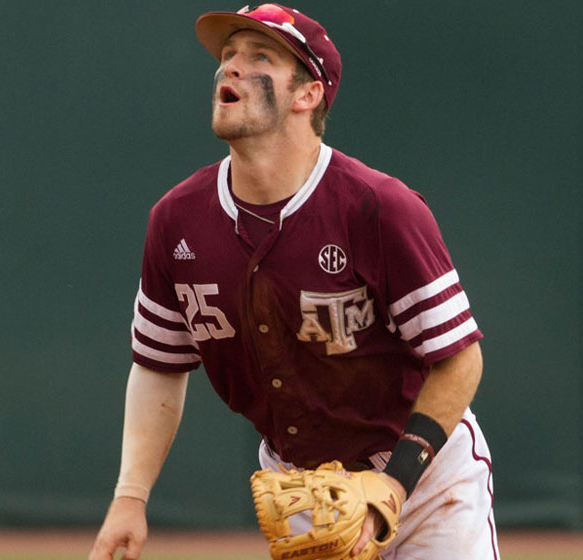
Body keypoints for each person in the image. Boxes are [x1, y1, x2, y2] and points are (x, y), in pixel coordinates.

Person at [89, 4, 498, 559]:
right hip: (305, 490)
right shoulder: (177, 221)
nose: (230, 66)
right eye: (228, 54)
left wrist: (395, 484)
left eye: (260, 56)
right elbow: (160, 364)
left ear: (308, 94)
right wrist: (129, 498)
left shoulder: (378, 208)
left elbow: (460, 359)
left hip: (423, 479)